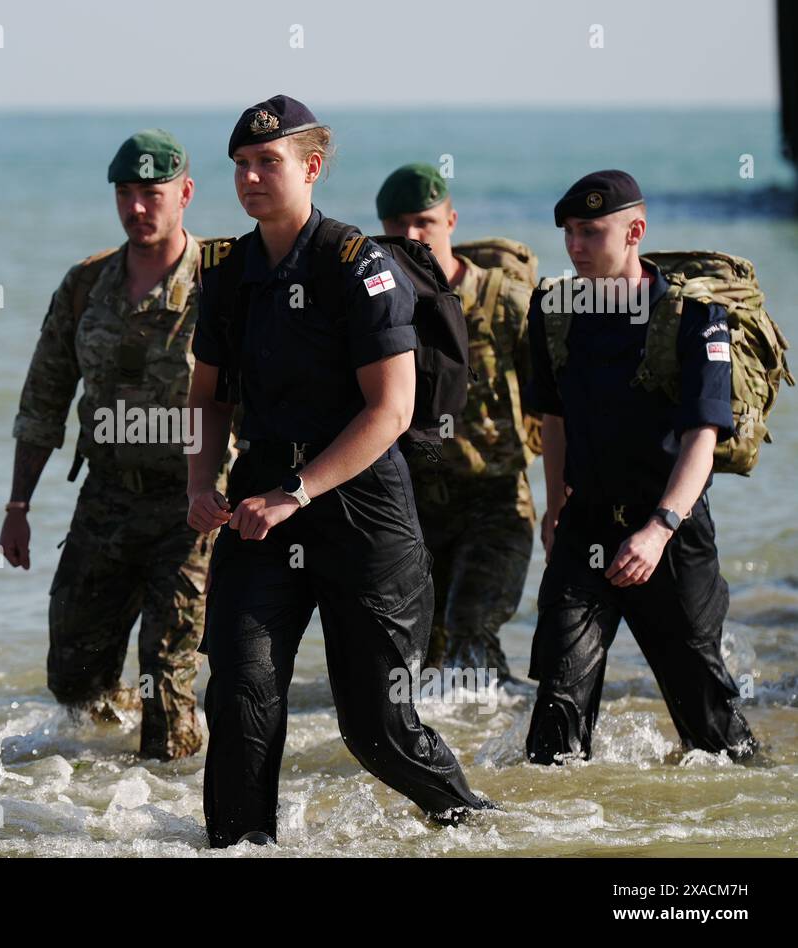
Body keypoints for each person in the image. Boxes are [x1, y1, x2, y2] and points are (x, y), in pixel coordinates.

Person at [186, 96, 492, 847]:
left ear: (311, 169)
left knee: (377, 728)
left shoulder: (358, 265)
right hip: (260, 508)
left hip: (362, 515)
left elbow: (389, 411)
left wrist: (298, 492)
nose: (252, 177)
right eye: (241, 166)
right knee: (241, 697)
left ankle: (474, 827)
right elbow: (208, 395)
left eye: (269, 163)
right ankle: (238, 846)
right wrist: (200, 483)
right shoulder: (227, 272)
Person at [2, 129, 224, 759]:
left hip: (192, 506)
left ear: (184, 194)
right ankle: (95, 788)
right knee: (73, 676)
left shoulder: (221, 285)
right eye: (125, 193)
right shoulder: (85, 285)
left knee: (168, 687)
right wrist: (18, 507)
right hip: (105, 498)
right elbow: (43, 397)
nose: (137, 207)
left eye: (152, 193)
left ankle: (166, 816)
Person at [523, 169, 757, 764]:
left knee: (711, 730)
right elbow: (553, 418)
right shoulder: (553, 310)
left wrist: (658, 529)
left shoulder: (694, 317)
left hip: (670, 537)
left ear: (635, 231)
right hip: (586, 529)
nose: (575, 247)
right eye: (569, 233)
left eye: (591, 232)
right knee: (555, 723)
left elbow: (702, 436)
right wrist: (555, 506)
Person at [376, 163, 538, 678]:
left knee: (472, 625)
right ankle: (452, 744)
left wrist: (567, 495)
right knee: (419, 649)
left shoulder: (505, 301)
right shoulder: (380, 305)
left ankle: (503, 745)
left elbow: (557, 400)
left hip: (494, 500)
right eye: (397, 224)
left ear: (451, 220)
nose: (411, 235)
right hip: (416, 502)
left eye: (424, 222)